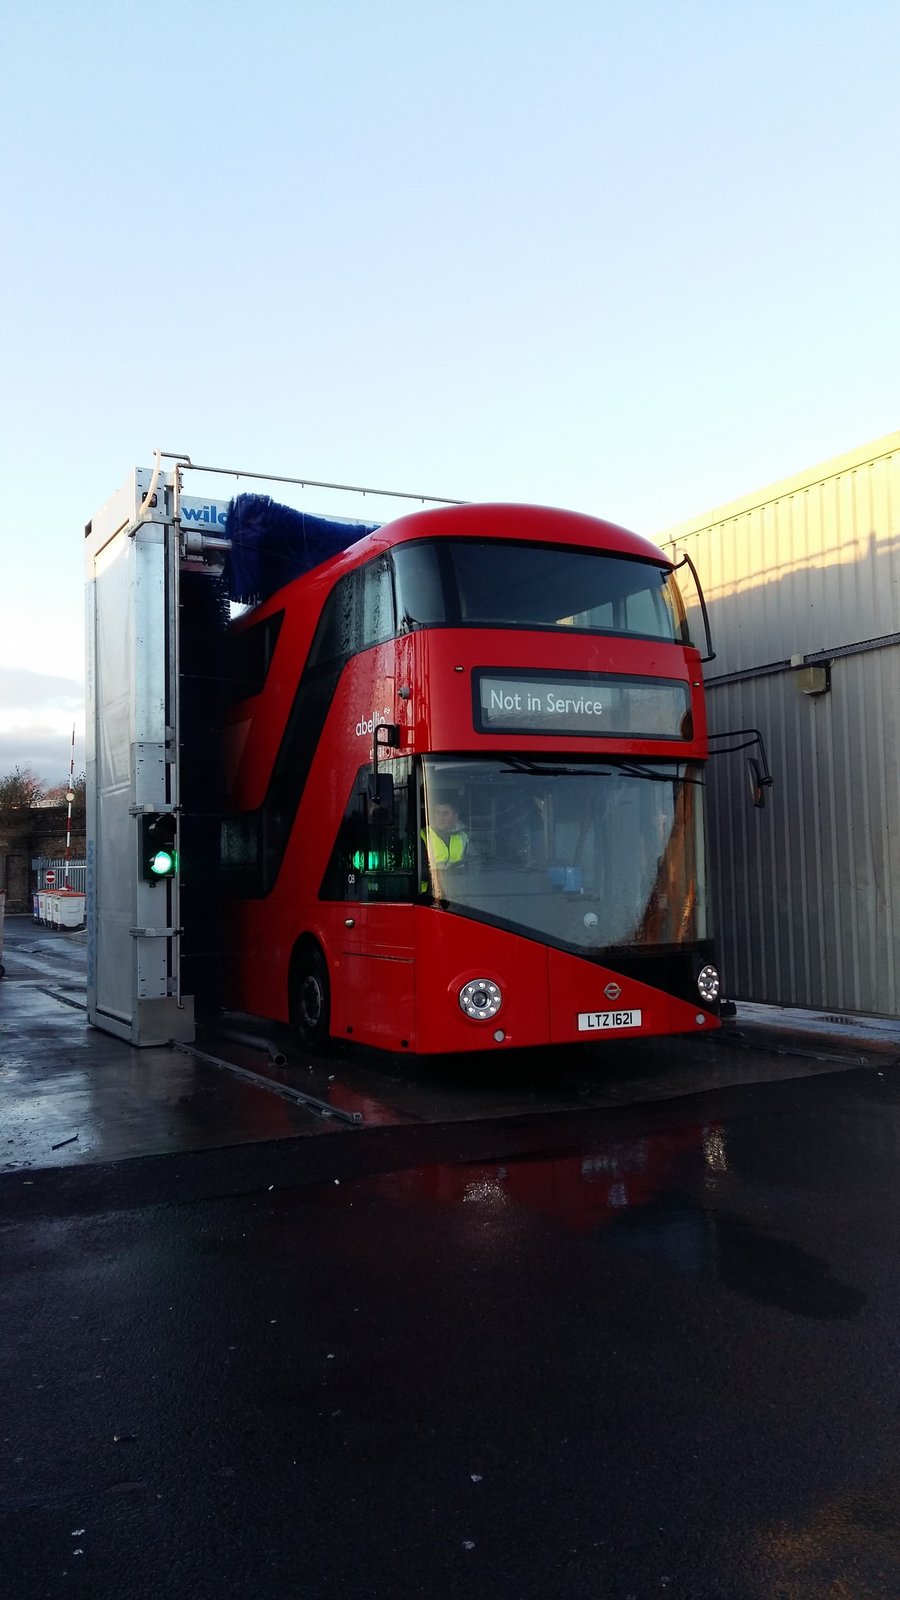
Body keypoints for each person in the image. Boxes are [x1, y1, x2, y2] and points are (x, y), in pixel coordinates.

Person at [421, 794, 469, 889]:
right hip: (428, 895)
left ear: (455, 816)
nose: (440, 818)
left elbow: (472, 866)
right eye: (437, 813)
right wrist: (440, 874)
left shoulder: (464, 837)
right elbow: (418, 871)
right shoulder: (423, 835)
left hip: (458, 894)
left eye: (446, 814)